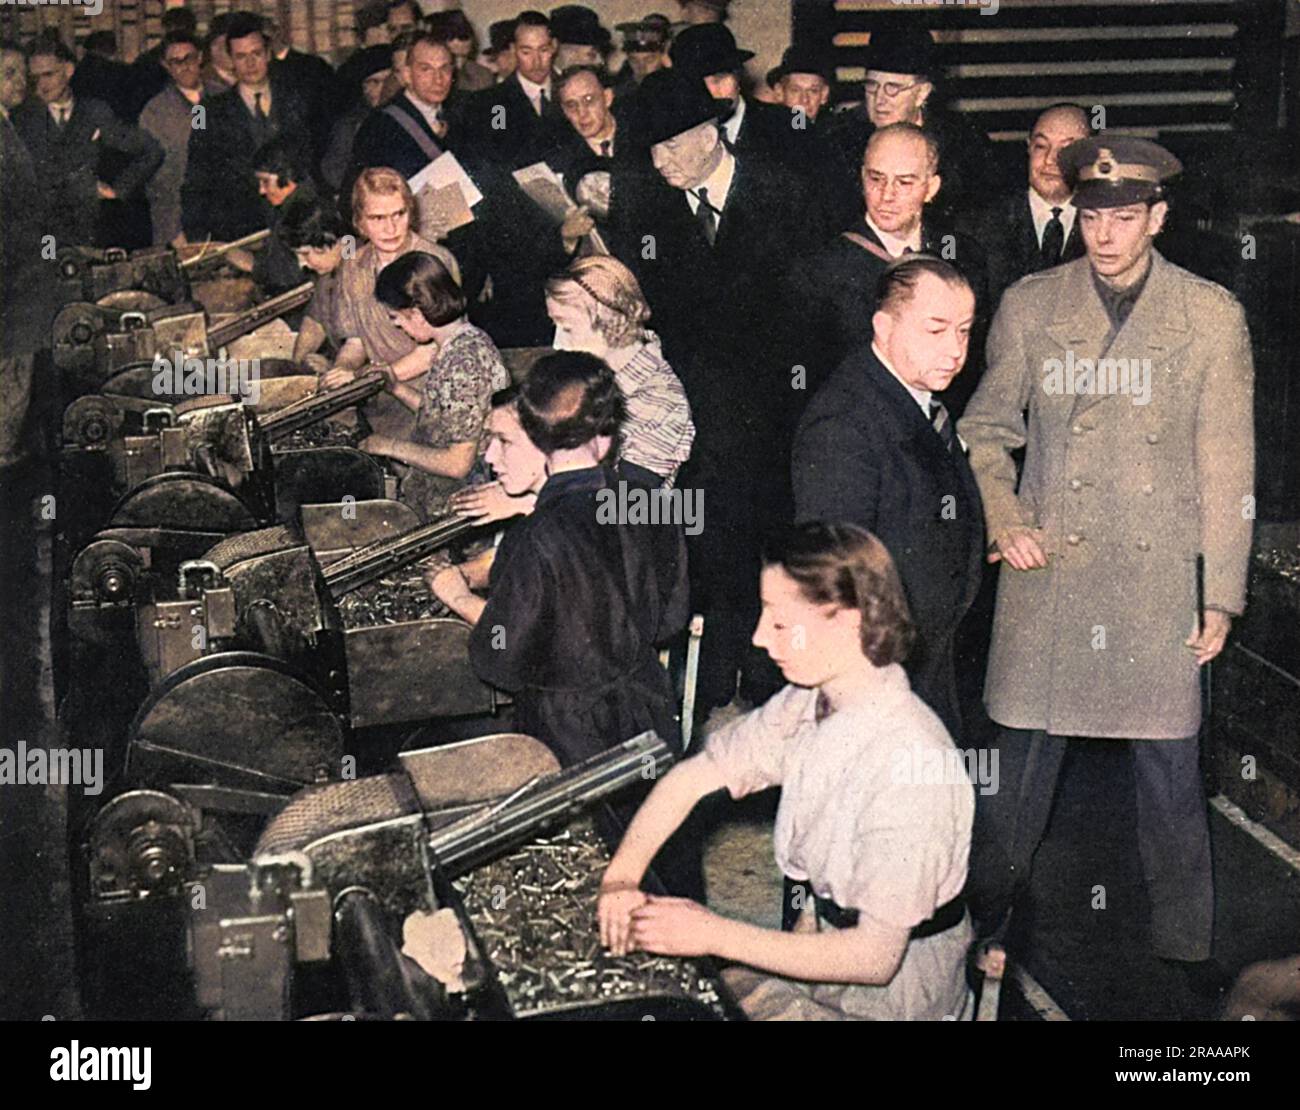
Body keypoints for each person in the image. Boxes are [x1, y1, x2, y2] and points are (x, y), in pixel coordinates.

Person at [957, 137, 1255, 993]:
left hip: (1156, 581)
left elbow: (1229, 472)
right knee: (1016, 781)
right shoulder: (1030, 302)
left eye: (1125, 218)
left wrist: (1222, 597)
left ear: (1157, 218)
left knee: (1169, 779)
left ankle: (1186, 962)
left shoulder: (1209, 316)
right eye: (1092, 216)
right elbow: (985, 430)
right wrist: (1006, 515)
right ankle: (978, 926)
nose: (1106, 234)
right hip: (1051, 573)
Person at [597, 522, 975, 1021]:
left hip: (896, 991)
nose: (757, 637)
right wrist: (621, 878)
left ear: (848, 622)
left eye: (778, 622)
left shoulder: (909, 765)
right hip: (822, 940)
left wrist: (713, 933)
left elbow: (875, 959)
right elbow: (696, 775)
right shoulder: (812, 700)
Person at [610, 67, 804, 721]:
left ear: (706, 133)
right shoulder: (646, 208)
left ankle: (779, 689)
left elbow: (815, 315)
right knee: (713, 556)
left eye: (668, 147)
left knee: (780, 556)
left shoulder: (786, 190)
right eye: (651, 151)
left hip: (780, 420)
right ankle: (718, 692)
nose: (658, 162)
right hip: (700, 425)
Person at [428, 353, 690, 769]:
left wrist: (458, 598)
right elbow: (671, 619)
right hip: (647, 715)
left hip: (568, 736)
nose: (492, 457)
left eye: (506, 441)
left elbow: (503, 659)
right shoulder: (650, 501)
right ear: (603, 436)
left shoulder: (538, 535)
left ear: (539, 437)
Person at [792, 257, 984, 740]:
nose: (955, 350)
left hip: (927, 663)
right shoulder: (846, 423)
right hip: (881, 679)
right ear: (884, 326)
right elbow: (834, 575)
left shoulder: (916, 397)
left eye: (963, 331)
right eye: (935, 330)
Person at [781, 123, 988, 413]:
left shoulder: (963, 258)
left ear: (931, 188)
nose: (886, 196)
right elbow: (800, 375)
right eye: (876, 179)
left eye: (904, 183)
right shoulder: (819, 268)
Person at [364, 250, 510, 521]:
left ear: (416, 314)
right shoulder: (457, 344)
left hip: (462, 501)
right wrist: (395, 388)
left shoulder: (464, 361)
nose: (398, 327)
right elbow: (447, 417)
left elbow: (458, 464)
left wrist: (389, 446)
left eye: (396, 318)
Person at [321, 167, 461, 441]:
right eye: (377, 218)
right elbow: (355, 340)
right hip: (382, 403)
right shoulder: (353, 268)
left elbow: (435, 348)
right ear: (359, 223)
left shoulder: (434, 262)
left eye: (399, 214)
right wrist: (344, 370)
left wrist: (365, 379)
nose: (391, 228)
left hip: (433, 400)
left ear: (412, 211)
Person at [827, 21, 1000, 229]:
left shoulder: (962, 141)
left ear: (922, 93)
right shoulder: (839, 138)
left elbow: (981, 213)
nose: (879, 99)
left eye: (893, 88)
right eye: (872, 87)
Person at [544, 256, 694, 487]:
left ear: (610, 320)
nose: (558, 344)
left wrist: (525, 502)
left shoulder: (659, 399)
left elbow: (624, 507)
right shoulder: (595, 375)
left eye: (567, 328)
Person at [14, 36, 162, 249]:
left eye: (49, 74)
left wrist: (118, 190)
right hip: (44, 237)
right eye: (34, 78)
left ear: (69, 70)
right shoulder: (22, 119)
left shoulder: (94, 111)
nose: (42, 85)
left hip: (92, 234)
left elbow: (151, 150)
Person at [181, 11, 310, 243]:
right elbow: (196, 177)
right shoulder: (206, 110)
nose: (250, 64)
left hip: (295, 228)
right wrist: (197, 235)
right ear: (230, 60)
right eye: (241, 56)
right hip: (237, 232)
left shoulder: (296, 99)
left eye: (256, 54)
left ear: (269, 54)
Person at [978, 103, 1090, 305]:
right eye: (1041, 146)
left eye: (1067, 149)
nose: (1050, 160)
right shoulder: (980, 224)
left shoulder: (1105, 225)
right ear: (1028, 147)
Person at [139, 29, 225, 247]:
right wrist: (173, 229)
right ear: (166, 66)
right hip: (177, 221)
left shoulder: (224, 97)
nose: (184, 66)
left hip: (224, 215)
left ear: (201, 57)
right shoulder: (155, 111)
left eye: (189, 58)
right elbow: (156, 180)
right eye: (176, 62)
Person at [281, 194, 353, 365]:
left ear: (335, 241)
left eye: (305, 254)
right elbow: (315, 323)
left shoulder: (365, 271)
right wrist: (295, 367)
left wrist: (333, 369)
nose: (302, 264)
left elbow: (362, 345)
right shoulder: (328, 272)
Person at [321, 45, 394, 194]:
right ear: (363, 87)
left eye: (388, 80)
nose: (383, 88)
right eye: (374, 82)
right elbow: (334, 172)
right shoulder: (351, 124)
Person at [429, 10, 494, 92]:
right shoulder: (434, 73)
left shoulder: (483, 74)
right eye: (450, 37)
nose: (458, 42)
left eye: (463, 36)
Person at [613, 18, 671, 90]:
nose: (642, 68)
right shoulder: (623, 92)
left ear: (663, 57)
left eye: (649, 60)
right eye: (634, 61)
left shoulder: (676, 87)